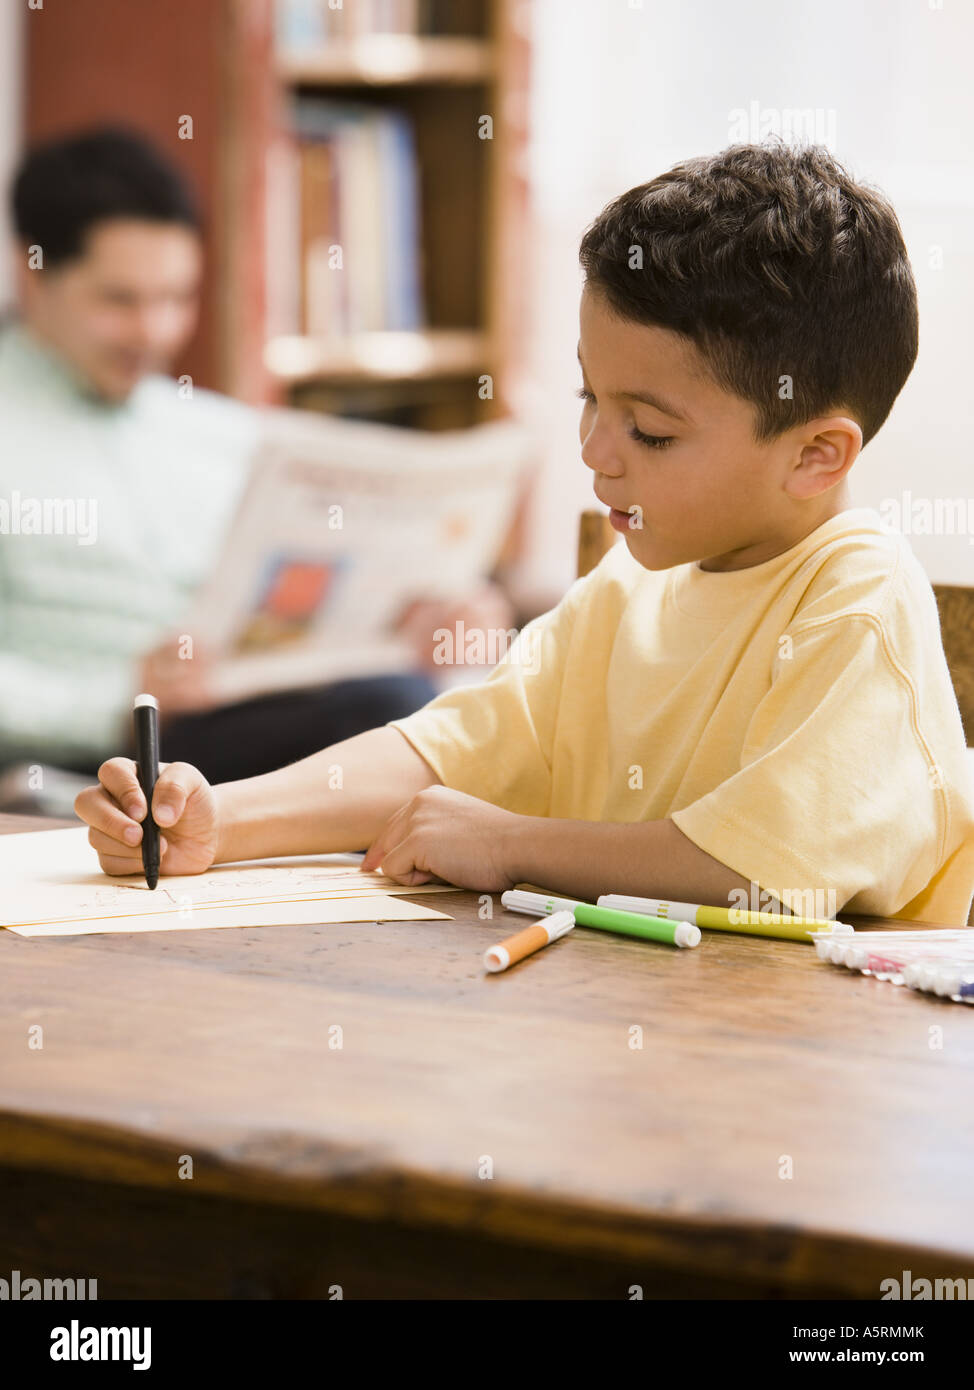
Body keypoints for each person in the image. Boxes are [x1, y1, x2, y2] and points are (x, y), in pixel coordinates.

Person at [76, 142, 974, 924]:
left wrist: (512, 844)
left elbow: (763, 873)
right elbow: (448, 750)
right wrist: (221, 820)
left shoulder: (856, 595)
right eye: (591, 396)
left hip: (797, 1072)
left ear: (817, 454)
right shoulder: (632, 585)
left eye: (650, 431)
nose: (593, 450)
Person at [0, 126, 513, 788]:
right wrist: (116, 698)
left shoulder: (227, 435)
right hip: (110, 749)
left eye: (176, 298)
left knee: (453, 706)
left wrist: (426, 618)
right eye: (119, 301)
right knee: (392, 720)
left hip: (265, 709)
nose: (154, 333)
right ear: (33, 274)